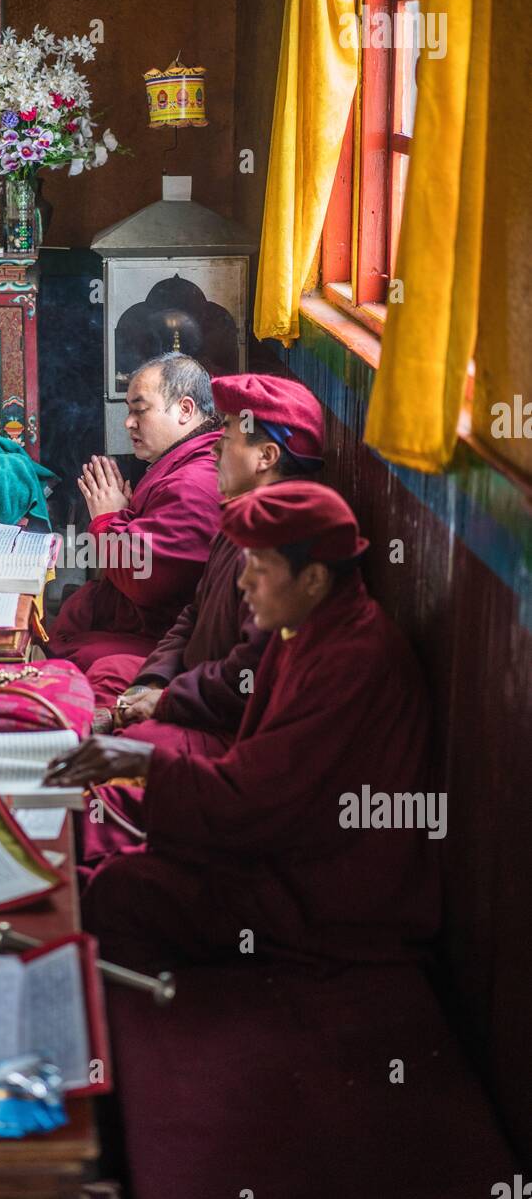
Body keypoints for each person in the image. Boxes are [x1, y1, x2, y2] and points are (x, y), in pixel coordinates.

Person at [44, 482, 440, 974]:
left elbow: (254, 800)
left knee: (118, 892)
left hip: (325, 888)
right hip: (279, 839)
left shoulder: (350, 660)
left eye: (260, 568)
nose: (245, 584)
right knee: (100, 853)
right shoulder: (306, 625)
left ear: (313, 579)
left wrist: (142, 763)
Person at [89, 373, 326, 752]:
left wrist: (165, 701)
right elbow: (192, 615)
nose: (214, 450)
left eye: (227, 439)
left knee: (123, 747)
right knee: (104, 680)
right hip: (187, 682)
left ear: (266, 457)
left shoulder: (282, 549)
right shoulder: (237, 519)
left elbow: (249, 676)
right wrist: (151, 682)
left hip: (224, 725)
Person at [48, 354, 222, 688]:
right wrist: (124, 518)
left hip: (162, 641)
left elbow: (146, 580)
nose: (128, 422)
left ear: (185, 410)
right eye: (128, 410)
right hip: (139, 625)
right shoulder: (179, 464)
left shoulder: (192, 484)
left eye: (139, 410)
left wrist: (108, 519)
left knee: (70, 663)